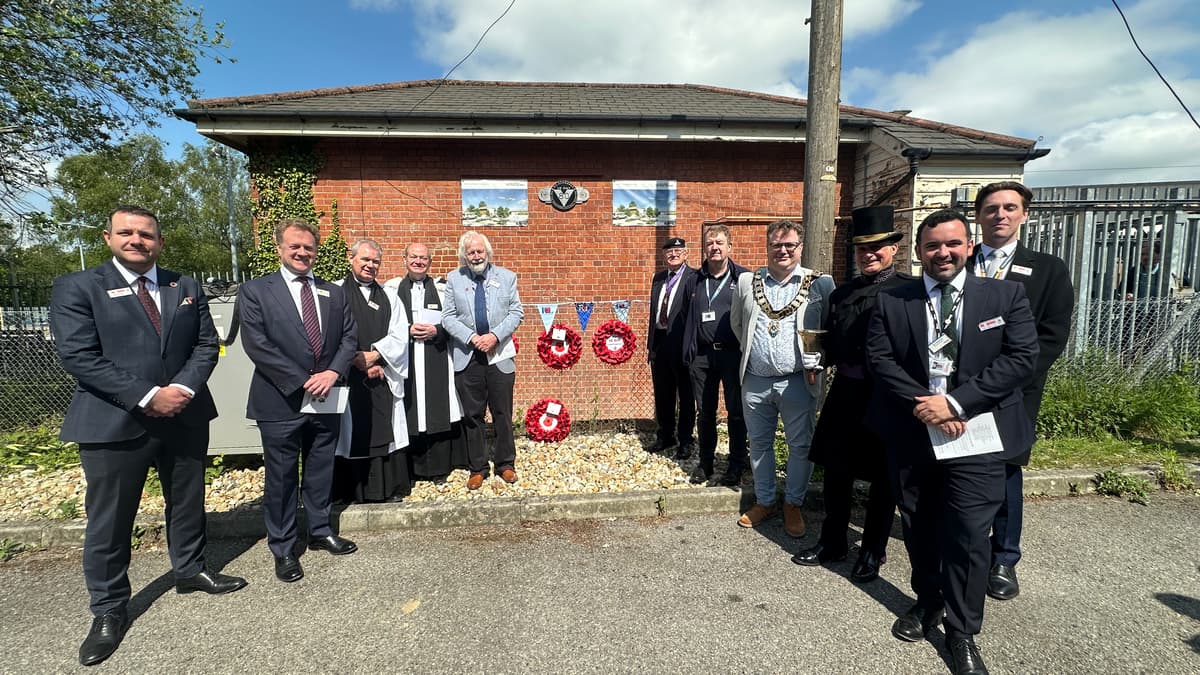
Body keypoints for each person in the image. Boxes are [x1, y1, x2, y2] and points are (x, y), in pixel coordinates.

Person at [49, 205, 247, 667]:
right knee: (111, 519)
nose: (137, 240)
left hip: (184, 414)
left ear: (159, 240)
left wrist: (180, 389)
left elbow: (204, 346)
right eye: (126, 232)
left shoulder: (185, 286)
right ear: (108, 236)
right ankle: (108, 608)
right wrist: (146, 395)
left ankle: (191, 569)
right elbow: (79, 355)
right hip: (115, 421)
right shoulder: (79, 287)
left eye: (146, 234)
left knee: (187, 499)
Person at [866, 209, 1037, 675]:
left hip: (976, 435)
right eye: (933, 246)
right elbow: (880, 359)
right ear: (920, 252)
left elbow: (1022, 358)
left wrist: (957, 404)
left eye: (952, 244)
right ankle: (929, 599)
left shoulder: (1004, 295)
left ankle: (962, 631)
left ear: (968, 245)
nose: (943, 253)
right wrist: (924, 405)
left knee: (966, 533)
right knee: (919, 526)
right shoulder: (893, 300)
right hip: (914, 432)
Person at [969, 181, 1074, 601]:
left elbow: (1052, 336)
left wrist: (1006, 380)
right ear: (979, 215)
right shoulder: (961, 260)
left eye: (1010, 208)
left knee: (1006, 470)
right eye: (992, 208)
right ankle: (964, 543)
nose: (1001, 215)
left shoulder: (1047, 269)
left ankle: (1004, 558)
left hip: (1013, 392)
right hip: (960, 389)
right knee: (958, 463)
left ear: (1024, 215)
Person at [238, 219, 360, 584]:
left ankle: (320, 530)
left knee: (322, 467)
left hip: (326, 397)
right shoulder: (257, 291)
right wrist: (301, 380)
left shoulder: (333, 293)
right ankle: (284, 547)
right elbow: (257, 344)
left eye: (308, 247)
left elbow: (349, 338)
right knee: (281, 476)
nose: (302, 253)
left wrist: (332, 373)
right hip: (280, 400)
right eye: (294, 246)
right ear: (279, 248)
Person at [794, 205, 909, 581]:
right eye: (862, 249)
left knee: (883, 476)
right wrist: (817, 357)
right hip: (845, 391)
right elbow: (829, 342)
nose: (869, 254)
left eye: (877, 247)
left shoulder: (909, 293)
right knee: (837, 472)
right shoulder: (842, 294)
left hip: (888, 396)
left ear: (893, 248)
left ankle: (874, 550)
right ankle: (834, 541)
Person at [730, 220, 834, 538]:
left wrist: (819, 364)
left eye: (789, 245)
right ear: (767, 246)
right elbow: (737, 324)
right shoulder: (748, 281)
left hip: (798, 382)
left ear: (800, 248)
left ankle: (793, 503)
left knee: (800, 445)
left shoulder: (820, 284)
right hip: (756, 380)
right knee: (759, 444)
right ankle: (765, 501)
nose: (783, 250)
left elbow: (830, 329)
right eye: (777, 244)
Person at [442, 231, 524, 489]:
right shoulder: (454, 279)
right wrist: (471, 337)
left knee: (502, 412)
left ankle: (505, 463)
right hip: (468, 356)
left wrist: (495, 336)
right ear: (463, 255)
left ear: (488, 253)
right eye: (471, 252)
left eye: (480, 251)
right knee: (472, 415)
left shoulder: (507, 277)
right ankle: (477, 467)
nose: (476, 256)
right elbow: (448, 317)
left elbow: (516, 312)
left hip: (498, 355)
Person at [332, 239, 411, 503]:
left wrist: (376, 356)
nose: (370, 265)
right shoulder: (334, 293)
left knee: (383, 428)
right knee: (348, 432)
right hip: (346, 376)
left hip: (381, 374)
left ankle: (385, 490)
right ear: (351, 259)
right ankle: (350, 492)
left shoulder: (389, 295)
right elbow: (327, 334)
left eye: (375, 261)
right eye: (365, 259)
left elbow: (401, 334)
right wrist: (353, 359)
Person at [386, 243, 468, 482]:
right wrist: (405, 330)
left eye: (423, 258)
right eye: (414, 257)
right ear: (405, 259)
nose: (418, 261)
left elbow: (456, 322)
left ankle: (437, 469)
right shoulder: (392, 290)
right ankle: (411, 469)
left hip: (436, 358)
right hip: (406, 359)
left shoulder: (442, 290)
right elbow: (384, 322)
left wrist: (437, 330)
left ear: (430, 262)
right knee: (409, 409)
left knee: (436, 408)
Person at [680, 226, 749, 485]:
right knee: (705, 413)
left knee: (736, 412)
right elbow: (687, 317)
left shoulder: (743, 278)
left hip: (733, 355)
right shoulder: (694, 281)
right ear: (704, 248)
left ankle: (736, 465)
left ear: (730, 246)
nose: (714, 247)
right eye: (709, 243)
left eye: (719, 242)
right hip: (702, 358)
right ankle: (705, 463)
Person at [647, 237, 699, 457]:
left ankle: (685, 440)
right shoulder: (659, 278)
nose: (674, 254)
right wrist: (651, 346)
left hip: (682, 344)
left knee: (686, 396)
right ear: (664, 256)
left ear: (686, 254)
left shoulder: (694, 277)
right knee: (663, 394)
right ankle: (665, 435)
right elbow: (654, 313)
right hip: (660, 343)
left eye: (678, 251)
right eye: (669, 251)